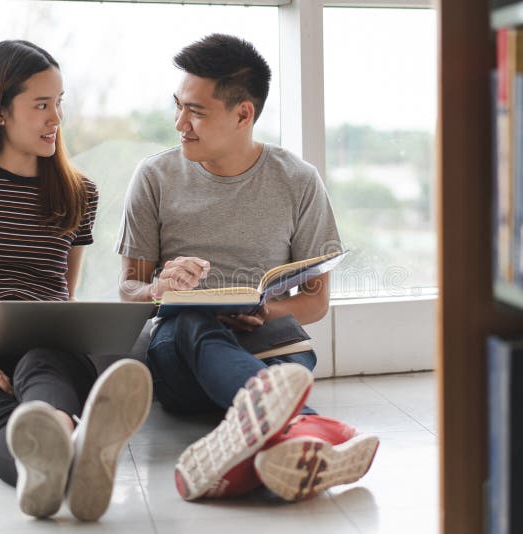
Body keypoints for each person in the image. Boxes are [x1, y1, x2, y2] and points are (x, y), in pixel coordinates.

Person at [117, 33, 378, 501]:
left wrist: (266, 312)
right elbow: (129, 289)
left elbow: (316, 301)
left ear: (243, 114)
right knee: (193, 320)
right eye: (178, 106)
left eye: (196, 111)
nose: (180, 123)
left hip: (273, 349)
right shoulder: (154, 177)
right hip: (181, 355)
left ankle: (271, 449)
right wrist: (159, 286)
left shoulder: (297, 180)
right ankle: (308, 426)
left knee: (276, 376)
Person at [0, 40, 152, 521]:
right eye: (41, 105)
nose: (55, 118)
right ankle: (75, 453)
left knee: (42, 363)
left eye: (59, 102)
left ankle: (56, 433)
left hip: (50, 348)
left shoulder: (78, 192)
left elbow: (64, 296)